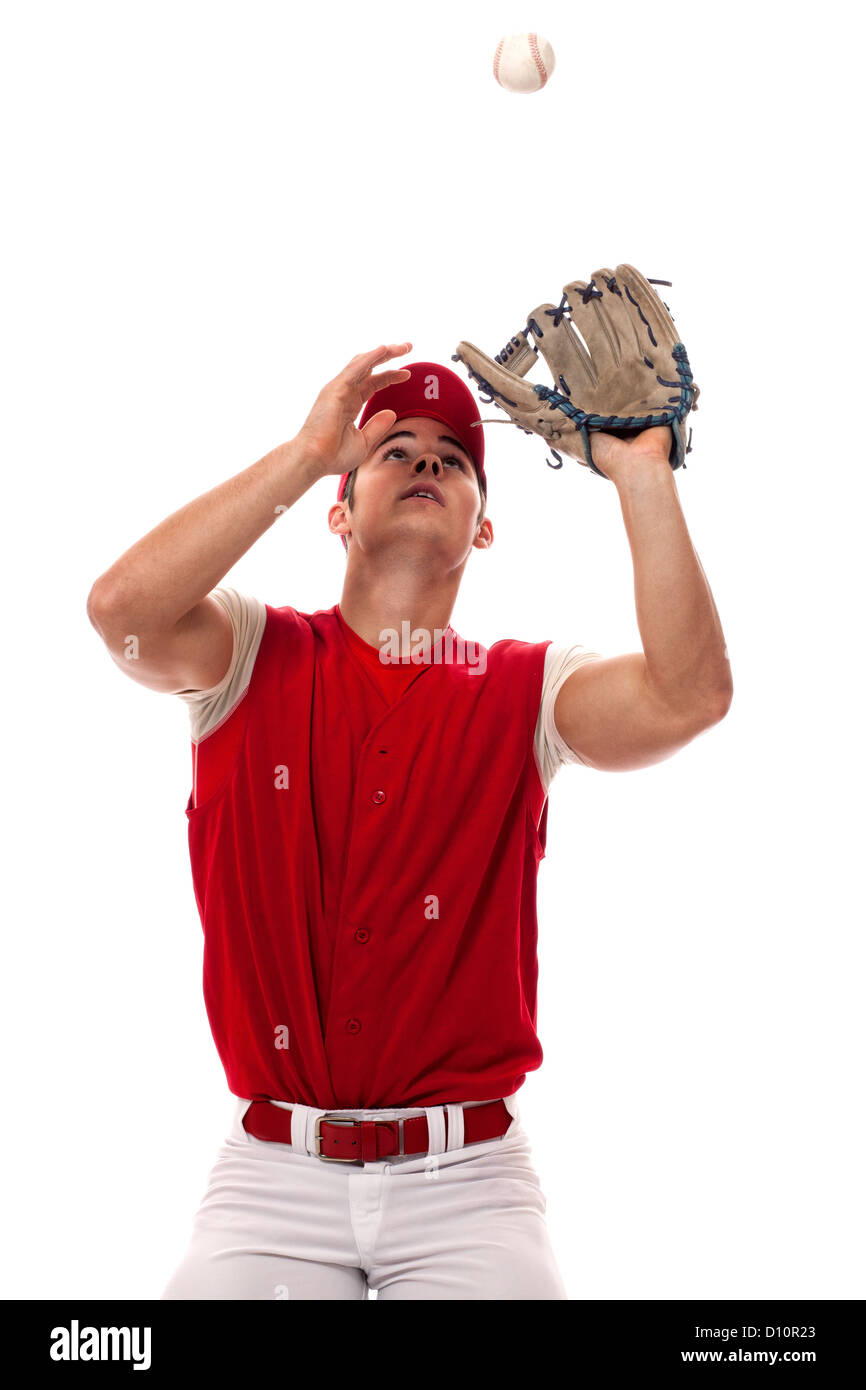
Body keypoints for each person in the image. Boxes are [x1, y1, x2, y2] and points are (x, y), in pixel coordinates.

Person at [86, 342, 733, 1300]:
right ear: (339, 512)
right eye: (393, 448)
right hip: (272, 1181)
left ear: (483, 530)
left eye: (455, 456)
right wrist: (310, 453)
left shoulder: (525, 689)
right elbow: (120, 610)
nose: (428, 459)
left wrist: (639, 470)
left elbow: (689, 697)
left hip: (468, 1186)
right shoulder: (246, 656)